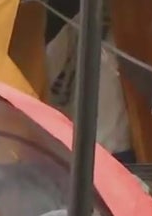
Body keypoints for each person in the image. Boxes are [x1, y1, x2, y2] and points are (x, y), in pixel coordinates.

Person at [44, 10, 135, 164]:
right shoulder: (78, 26)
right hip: (83, 145)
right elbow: (47, 69)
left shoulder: (129, 25)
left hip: (114, 146)